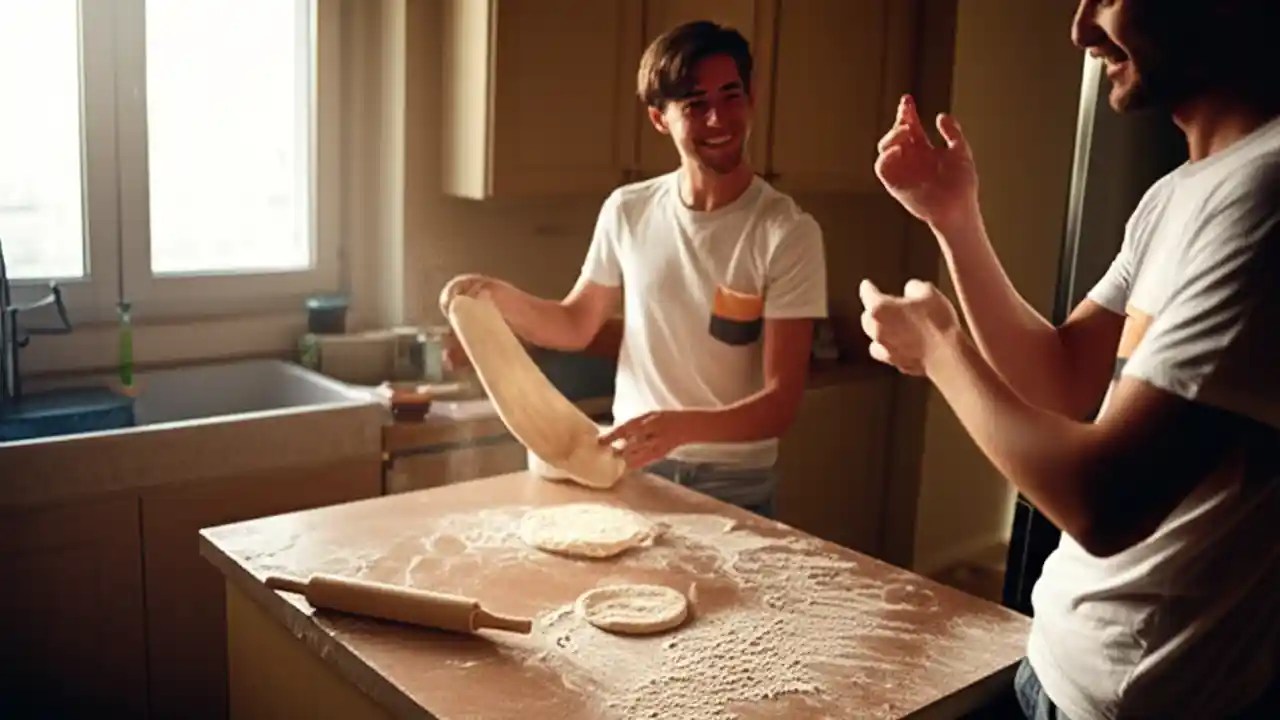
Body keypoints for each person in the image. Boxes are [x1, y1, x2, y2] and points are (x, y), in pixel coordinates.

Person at [863, 0, 1279, 717]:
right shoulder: (1179, 191)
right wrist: (953, 219)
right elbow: (1059, 377)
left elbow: (1104, 499)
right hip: (1057, 659)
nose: (1080, 29)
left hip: (1145, 698)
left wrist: (938, 347)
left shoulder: (1265, 194)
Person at [440, 21, 828, 516]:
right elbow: (576, 323)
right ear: (660, 119)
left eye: (731, 95)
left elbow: (781, 403)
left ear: (751, 97)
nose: (718, 118)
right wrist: (496, 297)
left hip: (735, 483)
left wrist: (681, 428)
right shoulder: (629, 210)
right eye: (695, 105)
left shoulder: (787, 232)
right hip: (635, 473)